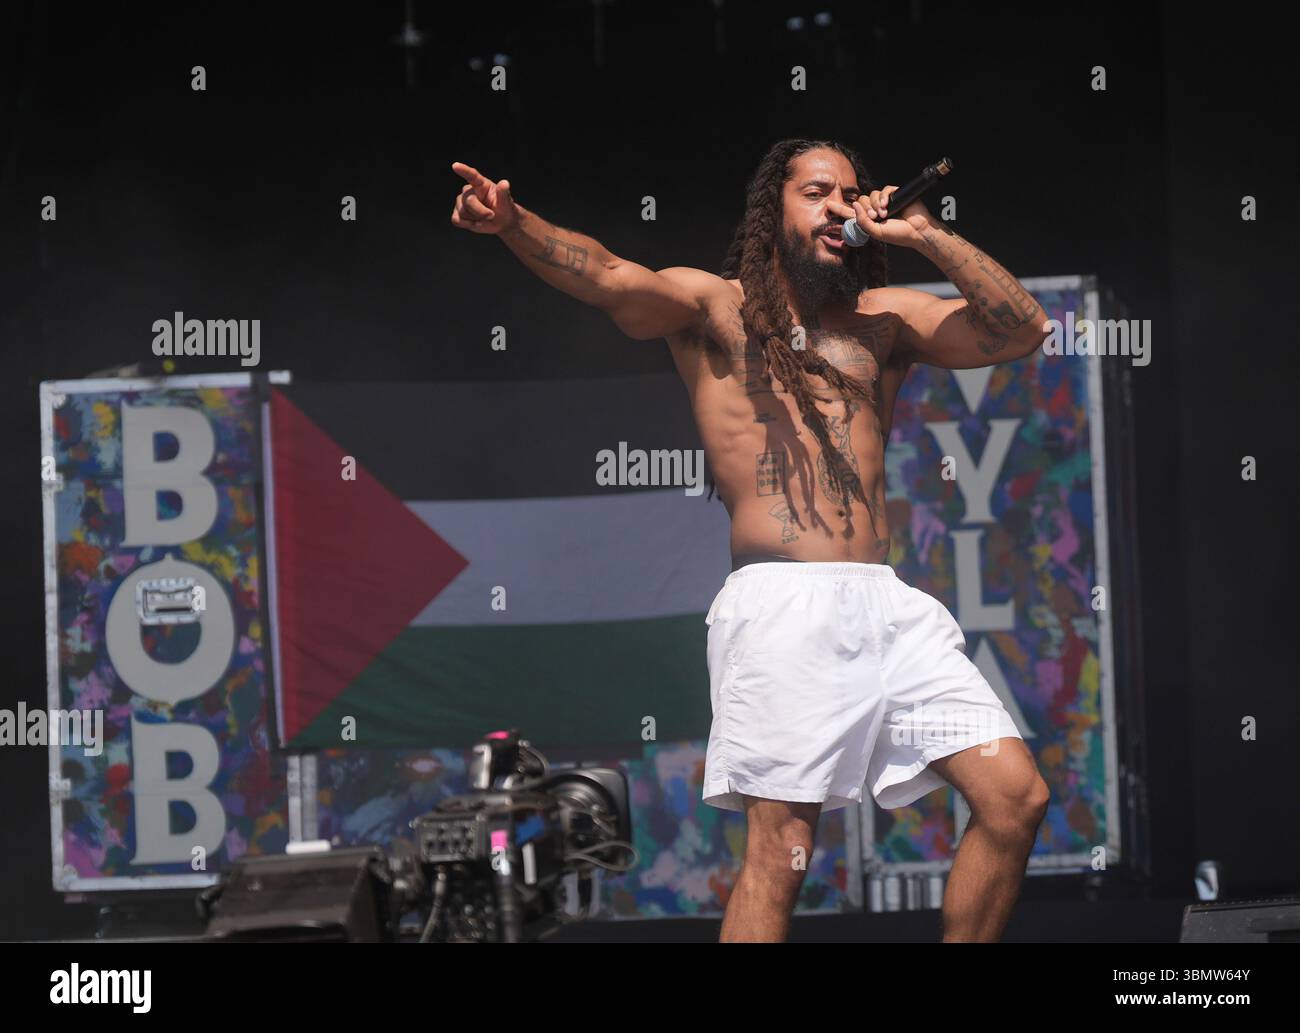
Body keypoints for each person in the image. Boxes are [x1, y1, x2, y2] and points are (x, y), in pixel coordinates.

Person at [450, 138, 1052, 942]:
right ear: (774, 210)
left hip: (887, 605)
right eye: (817, 192)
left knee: (1016, 797)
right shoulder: (713, 308)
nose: (839, 206)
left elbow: (1022, 329)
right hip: (781, 604)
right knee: (785, 846)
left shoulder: (887, 320)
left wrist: (924, 234)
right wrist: (513, 221)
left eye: (851, 194)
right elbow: (606, 275)